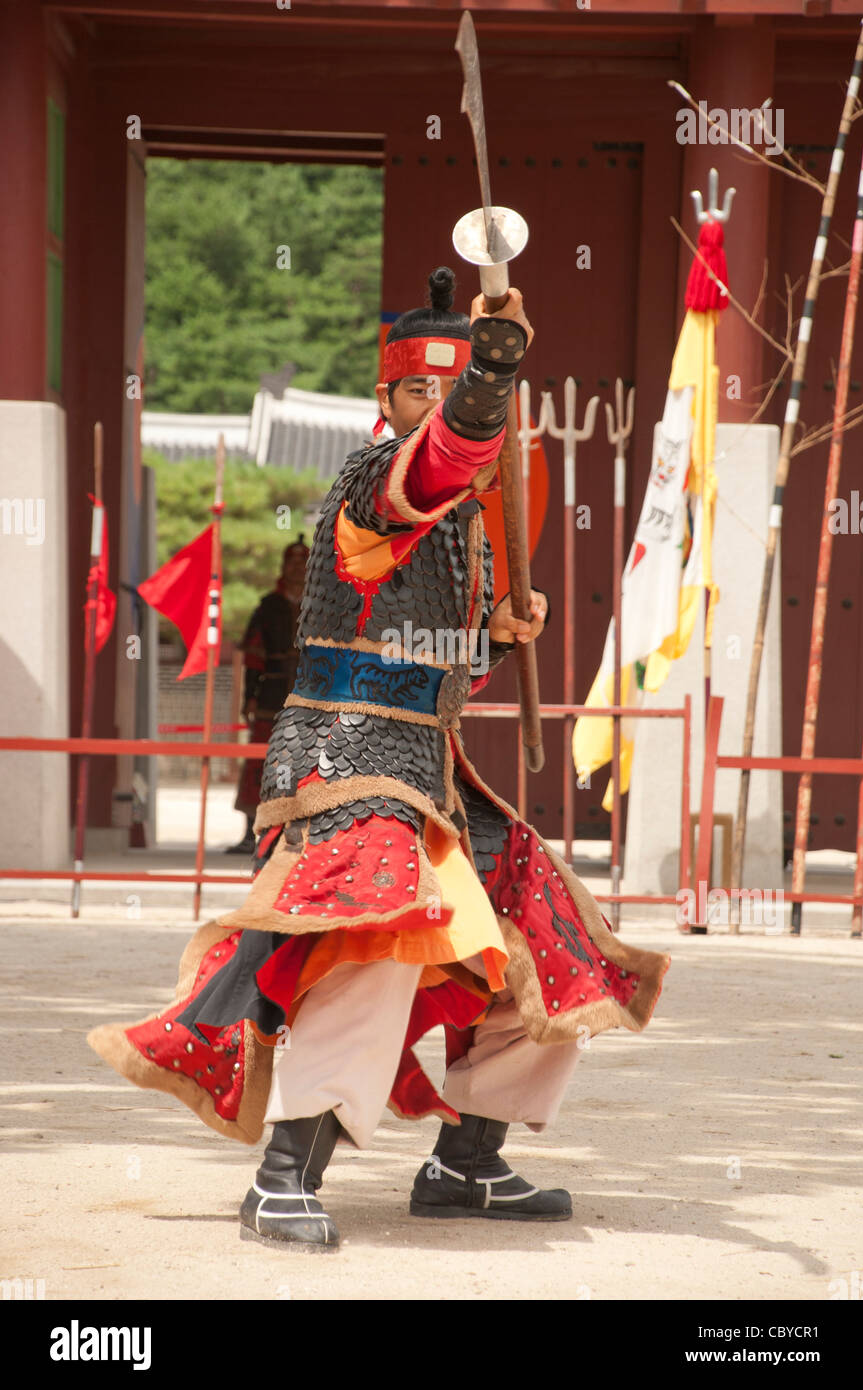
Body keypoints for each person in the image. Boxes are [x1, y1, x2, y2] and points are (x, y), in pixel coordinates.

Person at [89, 267, 669, 1250]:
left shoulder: (465, 536)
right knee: (377, 931)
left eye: (456, 392)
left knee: (543, 919)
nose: (436, 410)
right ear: (384, 400)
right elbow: (438, 464)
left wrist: (491, 635)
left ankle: (465, 1161)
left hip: (427, 767)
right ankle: (283, 1176)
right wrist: (491, 369)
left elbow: (428, 660)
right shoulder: (374, 488)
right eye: (418, 391)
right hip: (345, 766)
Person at [226, 538, 309, 854]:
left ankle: (298, 831)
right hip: (271, 693)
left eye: (303, 563)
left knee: (304, 761)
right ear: (283, 567)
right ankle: (252, 831)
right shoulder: (268, 606)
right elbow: (254, 658)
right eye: (292, 562)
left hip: (309, 695)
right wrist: (249, 696)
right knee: (259, 761)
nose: (297, 569)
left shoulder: (320, 605)